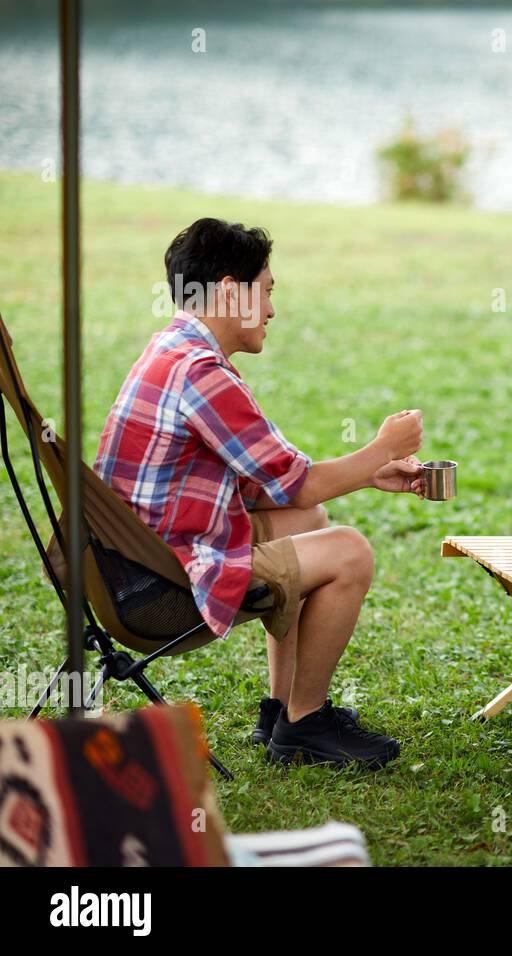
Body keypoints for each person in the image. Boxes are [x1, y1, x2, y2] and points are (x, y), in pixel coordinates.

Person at [95, 217, 428, 768]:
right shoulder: (201, 374)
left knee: (311, 519)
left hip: (133, 568)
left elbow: (275, 485)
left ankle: (280, 710)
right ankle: (305, 724)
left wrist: (369, 474)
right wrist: (381, 448)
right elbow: (294, 480)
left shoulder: (172, 351)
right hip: (159, 591)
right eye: (267, 290)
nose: (271, 309)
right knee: (350, 551)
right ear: (231, 291)